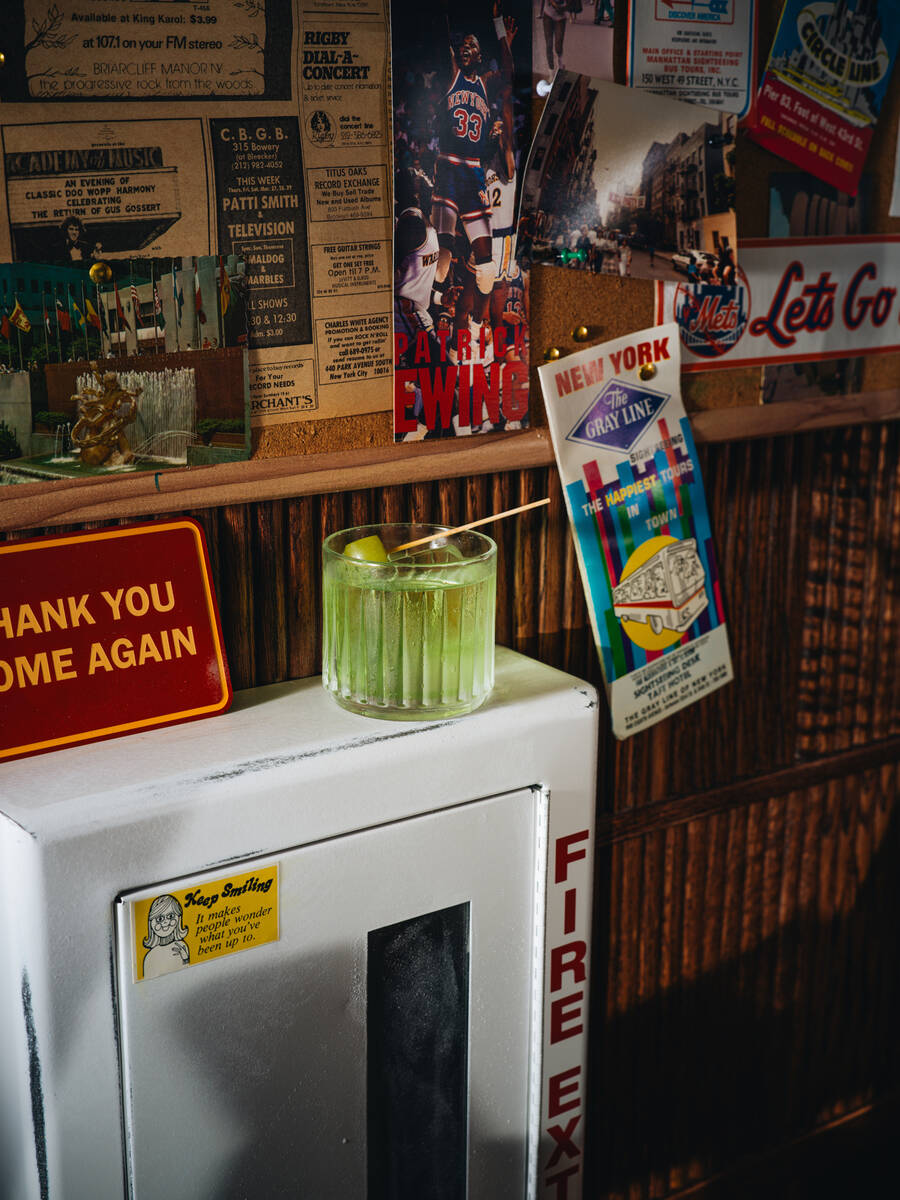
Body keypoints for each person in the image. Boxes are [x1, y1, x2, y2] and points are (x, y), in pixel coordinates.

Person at [432, 2, 515, 364]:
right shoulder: (452, 73)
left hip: (475, 172)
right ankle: (434, 310)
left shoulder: (485, 83)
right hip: (449, 165)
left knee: (486, 266)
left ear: (480, 56)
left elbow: (510, 72)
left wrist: (500, 30)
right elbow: (442, 41)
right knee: (444, 251)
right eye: (461, 45)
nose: (465, 49)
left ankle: (479, 329)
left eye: (471, 46)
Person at [142, 894, 190, 979]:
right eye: (159, 919)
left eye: (171, 916)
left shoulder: (181, 946)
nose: (165, 922)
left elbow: (188, 975)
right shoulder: (150, 956)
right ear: (151, 923)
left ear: (178, 918)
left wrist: (185, 959)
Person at [541, 0, 568, 74]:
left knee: (559, 43)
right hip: (548, 15)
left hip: (561, 17)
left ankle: (559, 61)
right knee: (549, 45)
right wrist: (553, 3)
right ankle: (551, 71)